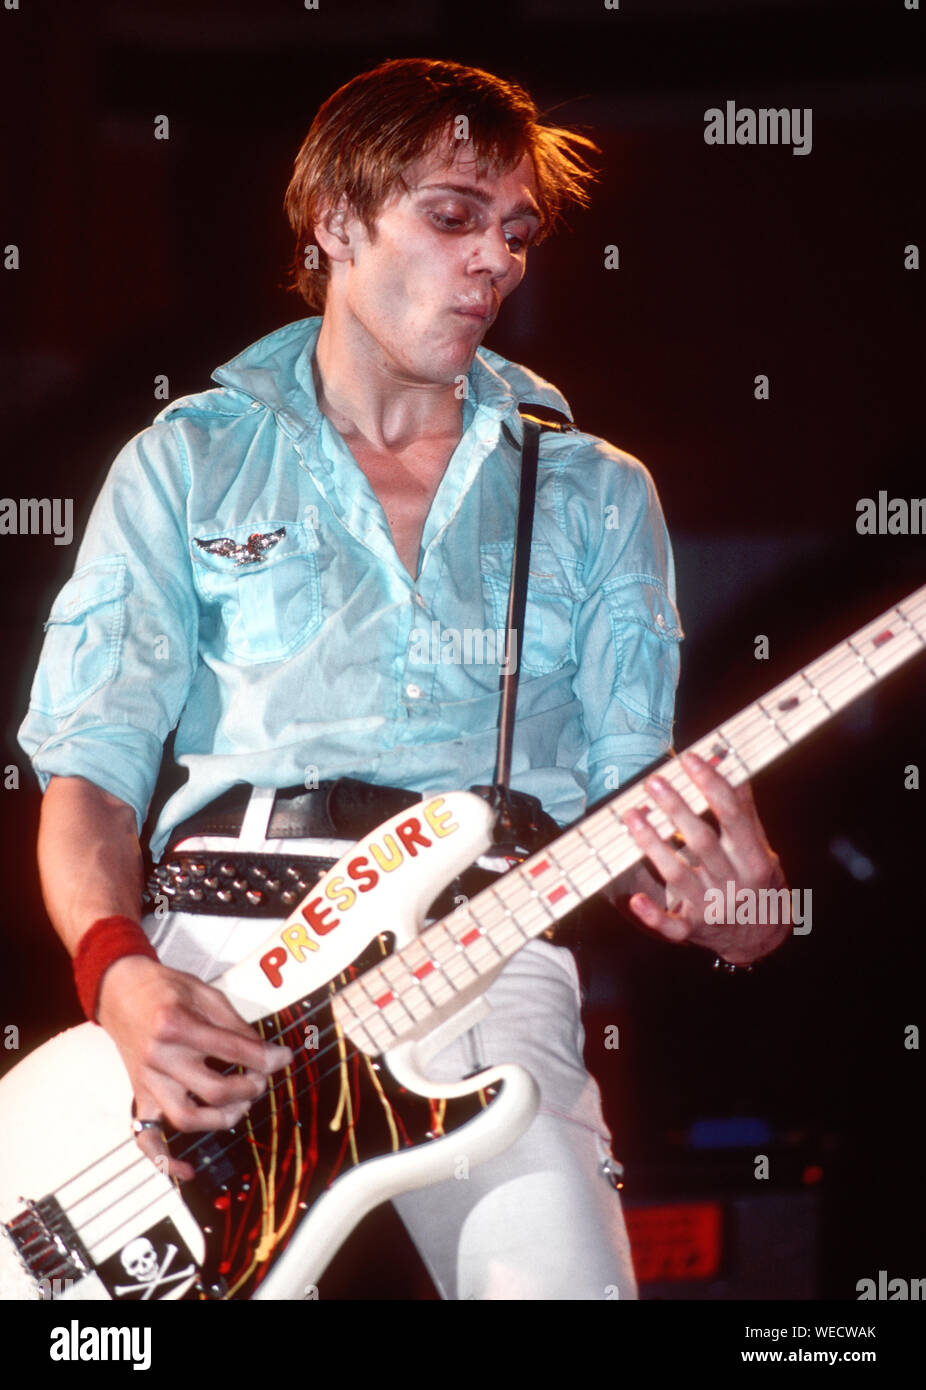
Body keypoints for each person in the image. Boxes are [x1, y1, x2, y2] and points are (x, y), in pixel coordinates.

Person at [17, 57, 789, 1300]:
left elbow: (650, 826)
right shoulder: (187, 460)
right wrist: (118, 970)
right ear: (334, 218)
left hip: (485, 965)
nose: (496, 258)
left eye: (517, 232)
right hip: (218, 965)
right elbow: (90, 781)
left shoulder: (595, 491)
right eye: (452, 215)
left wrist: (744, 914)